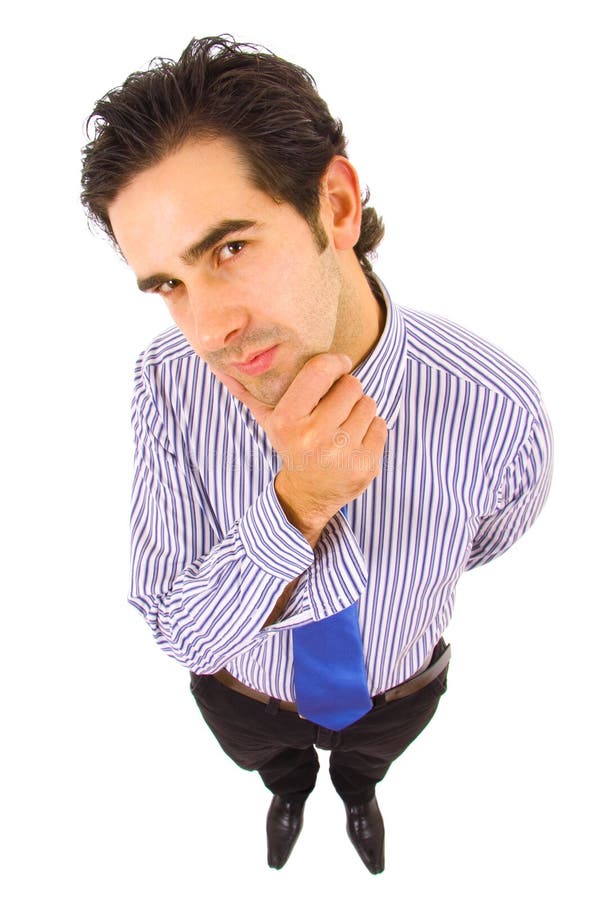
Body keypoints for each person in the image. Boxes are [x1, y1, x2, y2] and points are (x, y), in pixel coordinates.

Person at [80, 36, 553, 875]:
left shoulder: (497, 404)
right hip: (246, 694)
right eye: (169, 285)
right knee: (272, 757)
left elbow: (489, 537)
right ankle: (290, 791)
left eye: (230, 248)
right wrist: (299, 505)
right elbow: (178, 625)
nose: (208, 329)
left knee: (369, 758)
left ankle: (361, 796)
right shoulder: (166, 384)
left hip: (396, 688)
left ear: (334, 205)